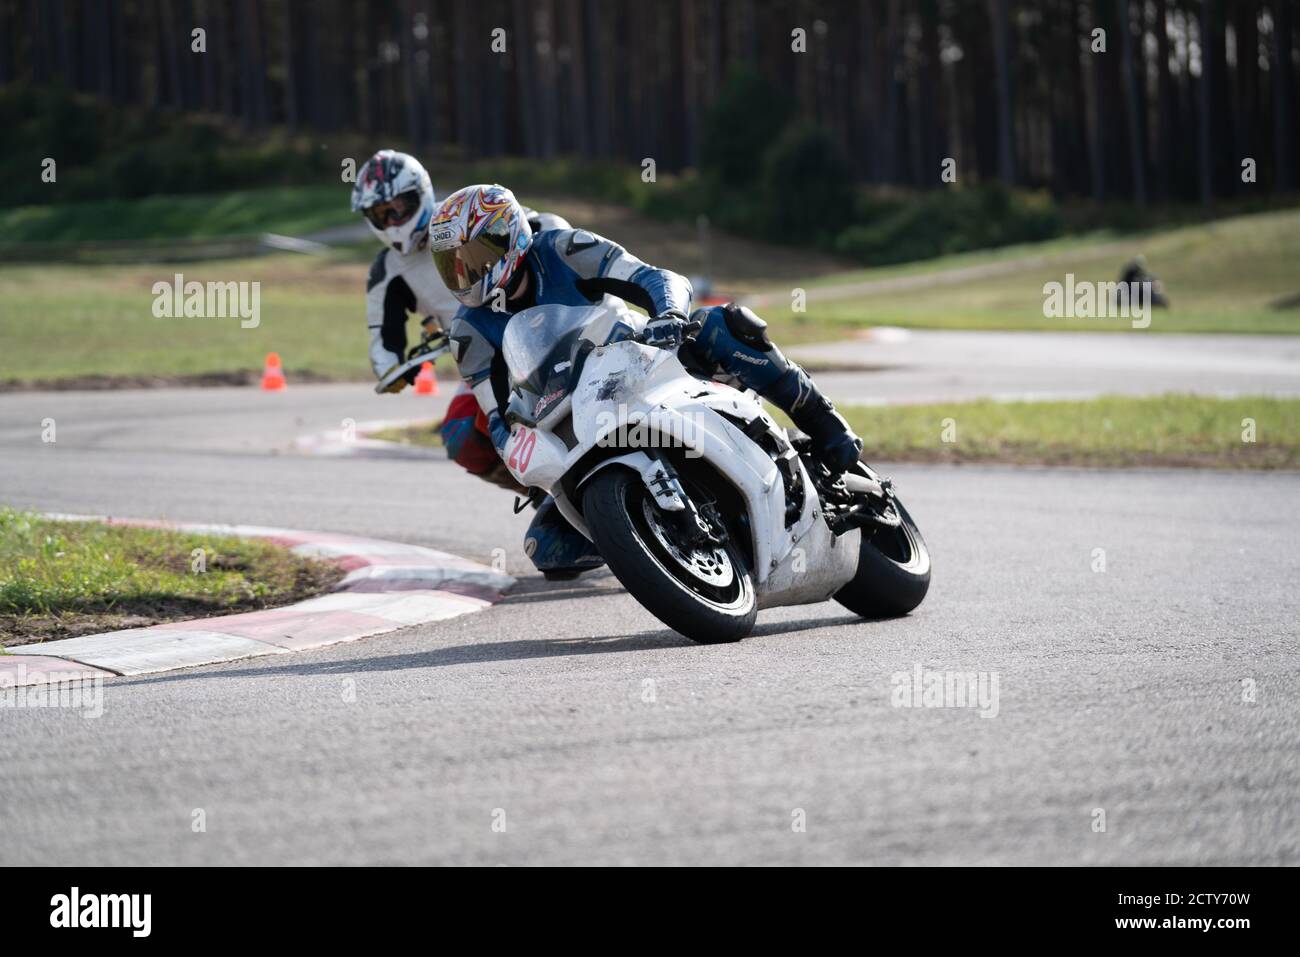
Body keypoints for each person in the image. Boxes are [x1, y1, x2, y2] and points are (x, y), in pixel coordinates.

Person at [428, 183, 865, 577]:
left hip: (639, 360)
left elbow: (653, 277)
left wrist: (669, 313)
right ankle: (652, 537)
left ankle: (824, 422)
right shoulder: (468, 331)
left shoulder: (562, 248)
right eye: (454, 266)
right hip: (572, 420)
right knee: (549, 549)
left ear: (510, 237)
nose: (466, 275)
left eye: (475, 258)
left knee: (722, 326)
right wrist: (511, 443)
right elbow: (497, 412)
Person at [350, 151, 565, 491]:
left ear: (420, 193)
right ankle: (544, 492)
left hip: (545, 323)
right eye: (381, 213)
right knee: (461, 432)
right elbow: (382, 337)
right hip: (482, 352)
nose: (392, 220)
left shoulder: (458, 213)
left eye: (399, 207)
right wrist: (391, 368)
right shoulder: (386, 270)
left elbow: (534, 225)